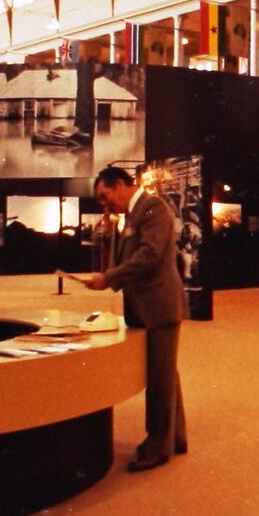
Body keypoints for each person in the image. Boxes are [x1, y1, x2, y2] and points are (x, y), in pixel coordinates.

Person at [86, 166, 187, 472]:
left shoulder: (152, 207)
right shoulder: (131, 215)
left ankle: (157, 448)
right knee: (166, 372)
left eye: (105, 196)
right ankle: (176, 437)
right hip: (145, 308)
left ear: (120, 185)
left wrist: (110, 278)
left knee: (159, 378)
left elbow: (149, 255)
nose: (106, 204)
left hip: (159, 307)